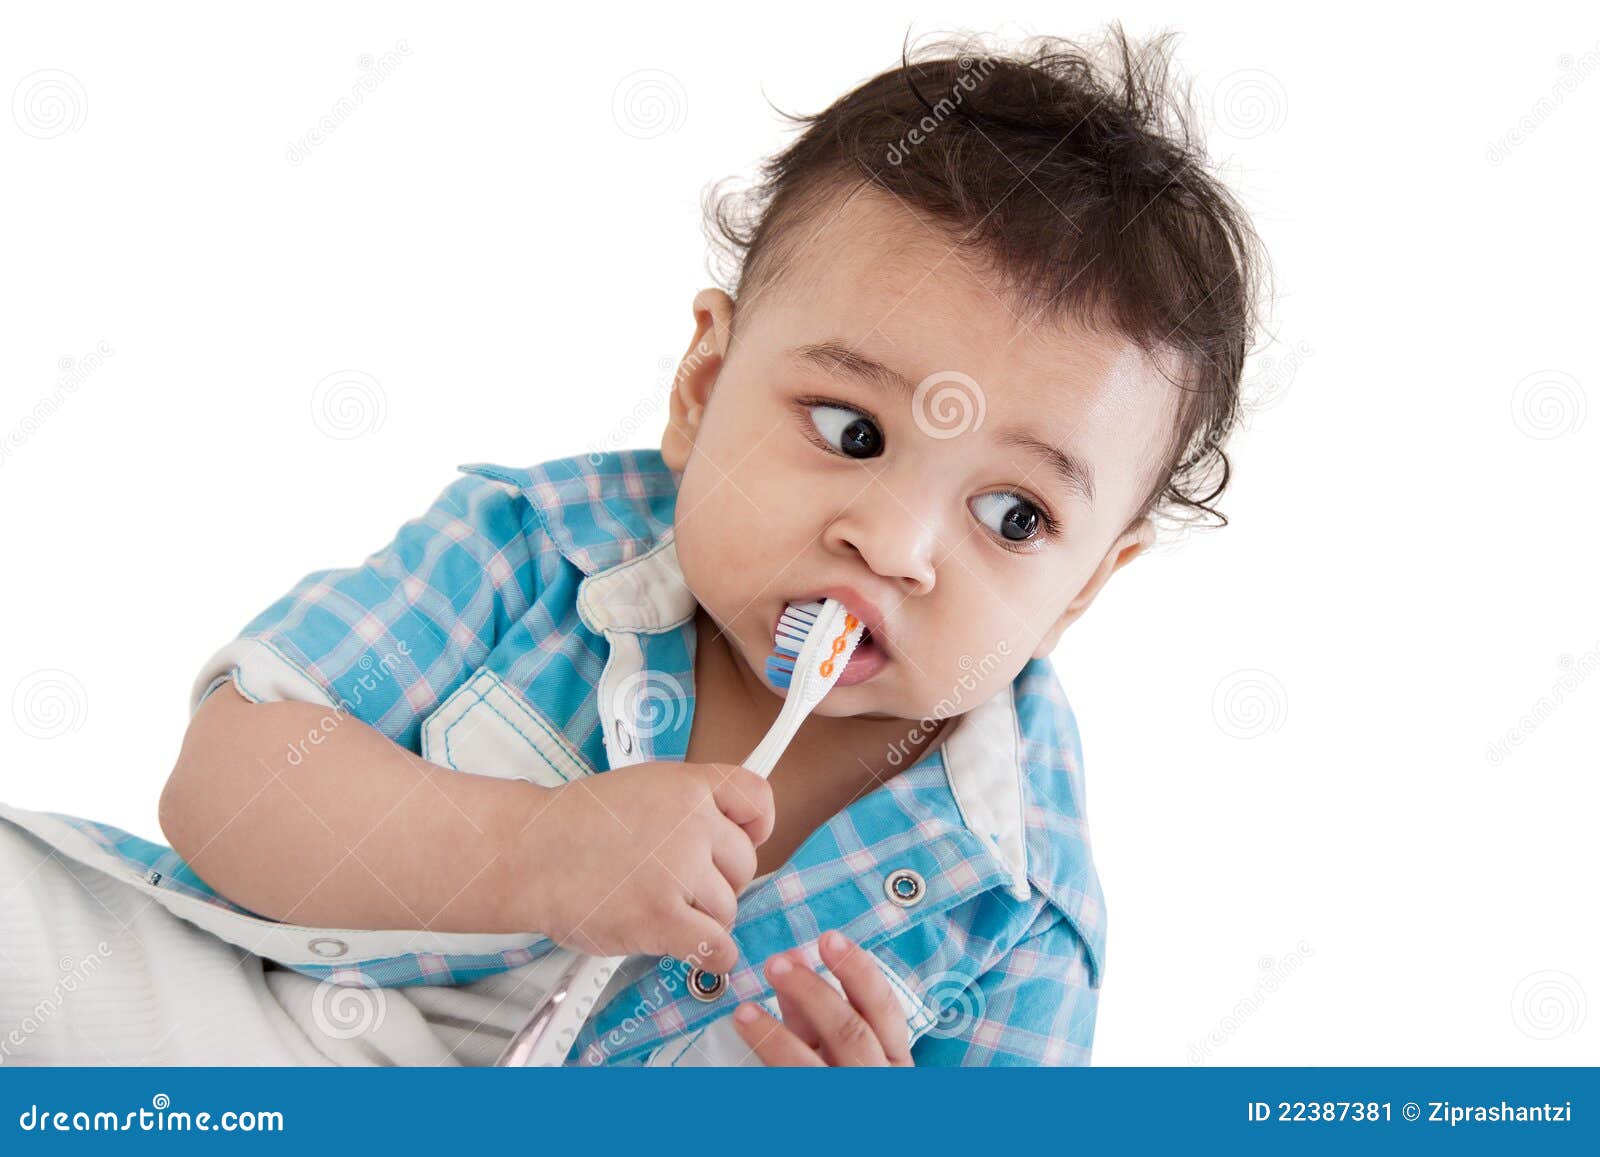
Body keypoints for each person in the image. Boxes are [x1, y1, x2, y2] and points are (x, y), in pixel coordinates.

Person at [0, 22, 1266, 1067]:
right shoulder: (538, 548)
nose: (891, 542)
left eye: (1014, 517)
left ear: (1081, 591)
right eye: (851, 430)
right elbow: (223, 789)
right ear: (703, 388)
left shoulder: (1019, 908)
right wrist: (527, 852)